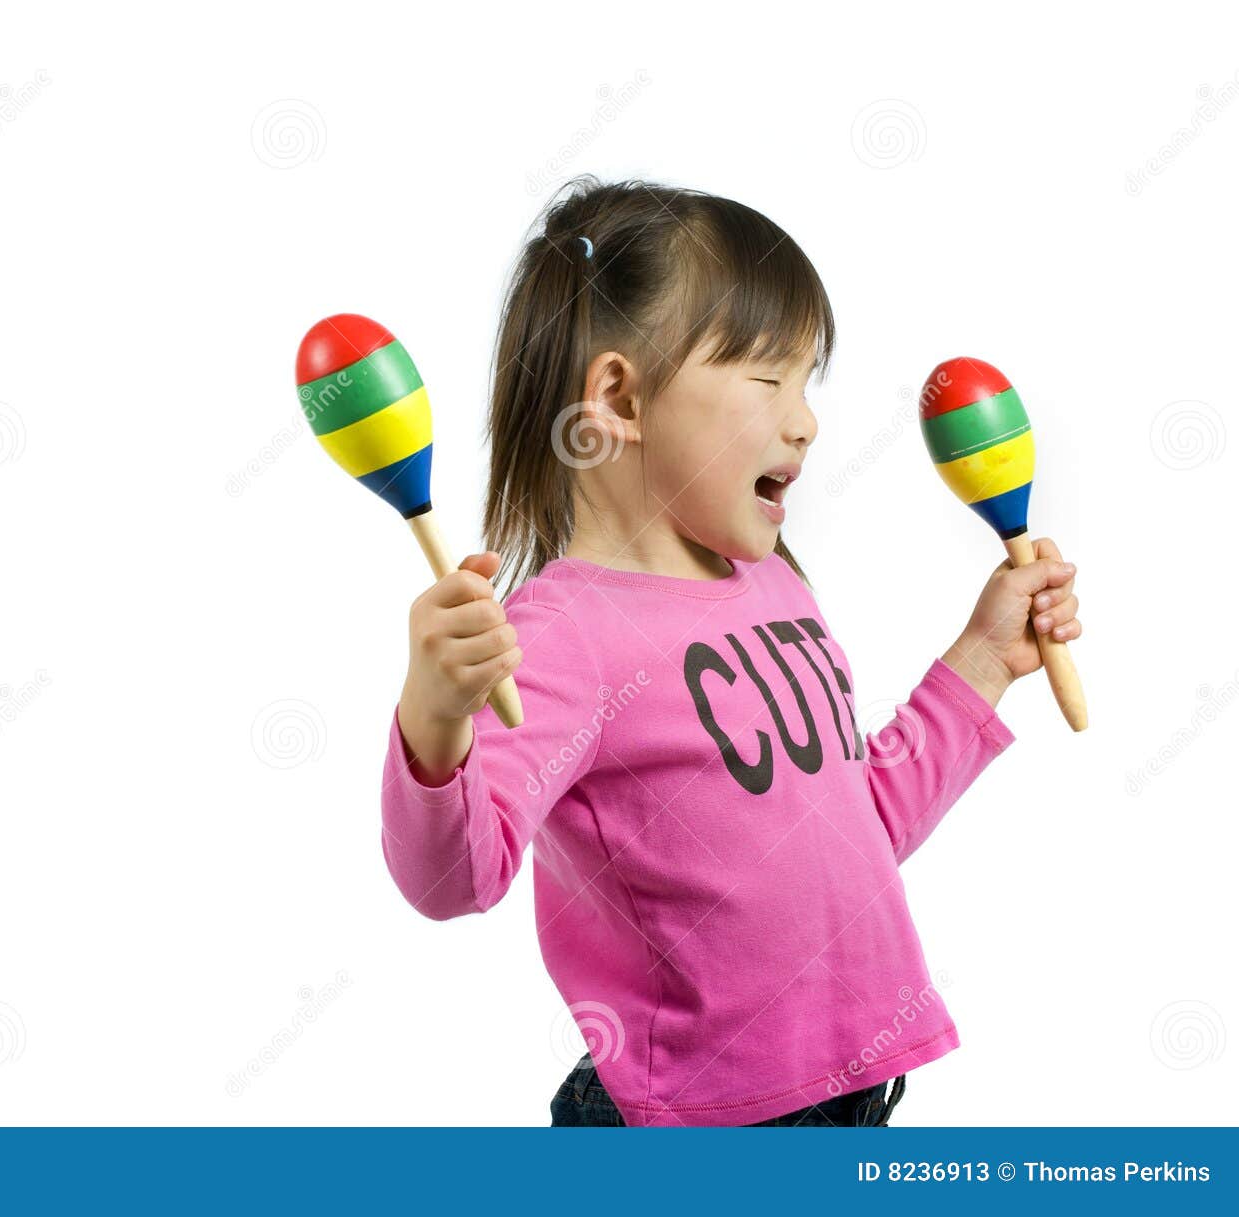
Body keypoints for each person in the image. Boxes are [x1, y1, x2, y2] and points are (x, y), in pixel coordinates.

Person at [380, 178, 1083, 1127]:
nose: (806, 421)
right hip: (702, 1123)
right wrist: (433, 719)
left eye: (807, 383)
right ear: (620, 397)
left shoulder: (774, 588)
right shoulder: (563, 634)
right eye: (768, 379)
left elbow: (857, 829)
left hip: (850, 1095)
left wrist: (986, 659)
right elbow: (451, 882)